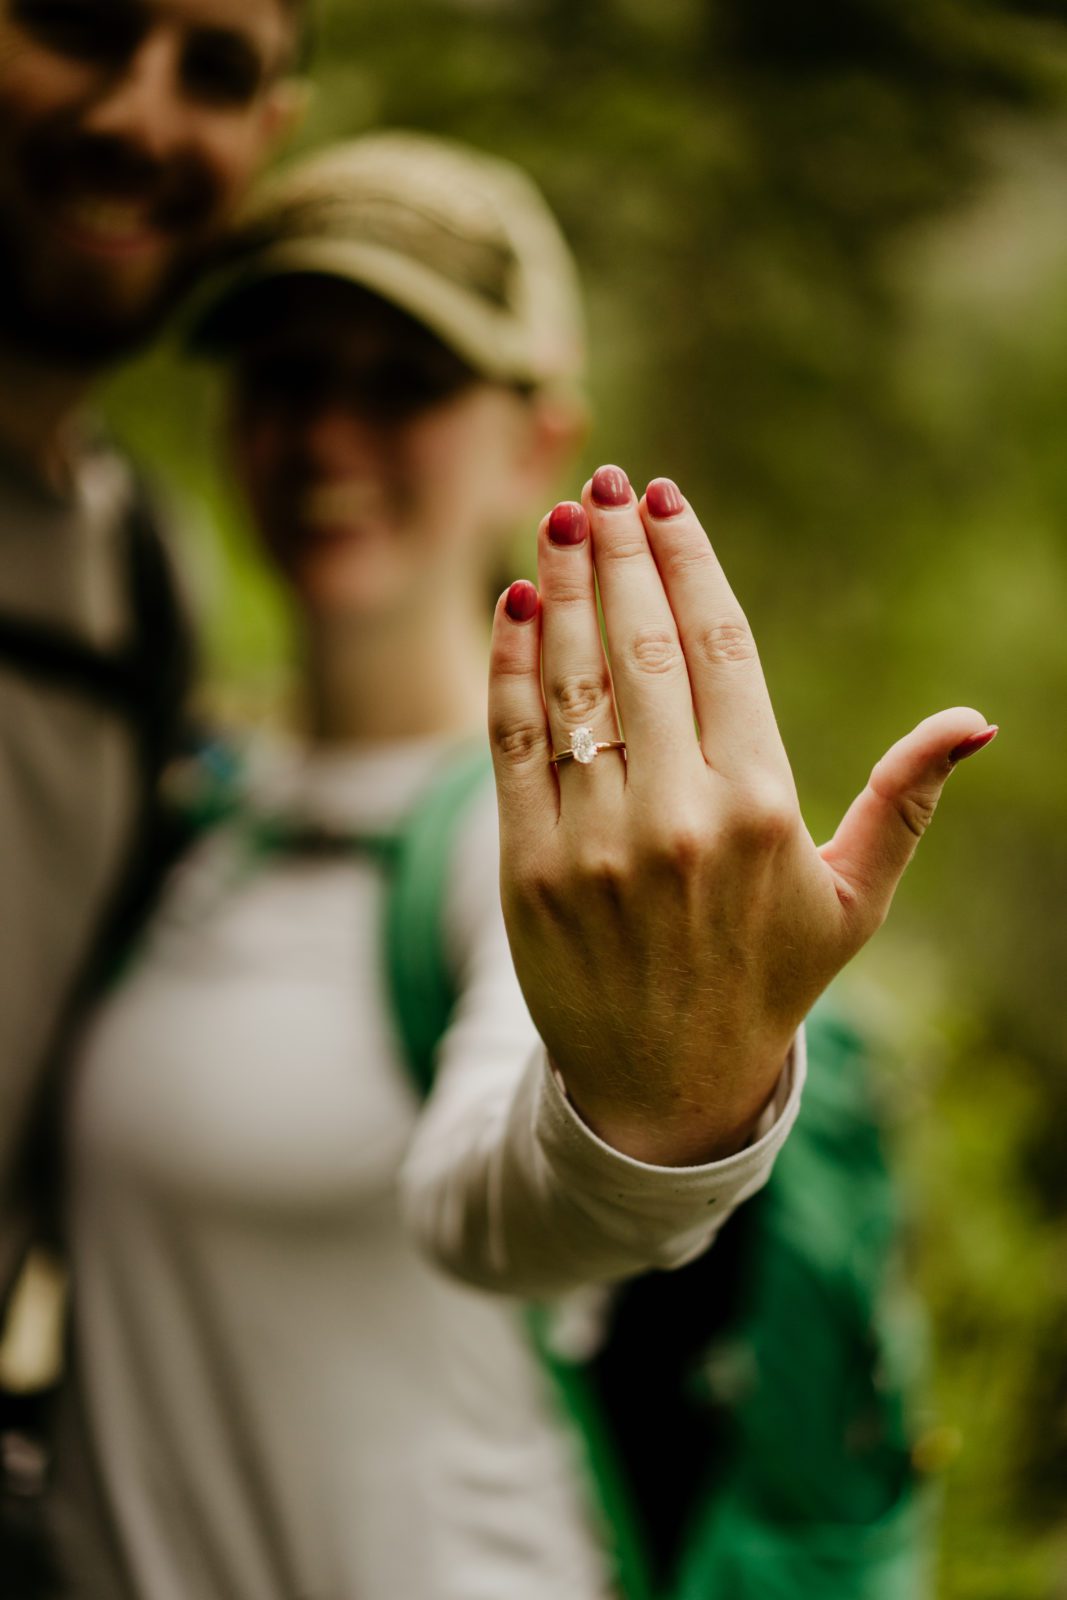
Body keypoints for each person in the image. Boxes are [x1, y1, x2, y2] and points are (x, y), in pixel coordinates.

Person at [43, 130, 995, 1600]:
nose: (328, 433)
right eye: (286, 373)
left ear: (535, 443)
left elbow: (496, 1210)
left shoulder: (536, 860)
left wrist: (661, 1121)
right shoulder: (188, 813)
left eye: (405, 383)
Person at [0, 0, 306, 1323]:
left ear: (270, 131)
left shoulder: (145, 588)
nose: (137, 118)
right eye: (82, 22)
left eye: (214, 73)